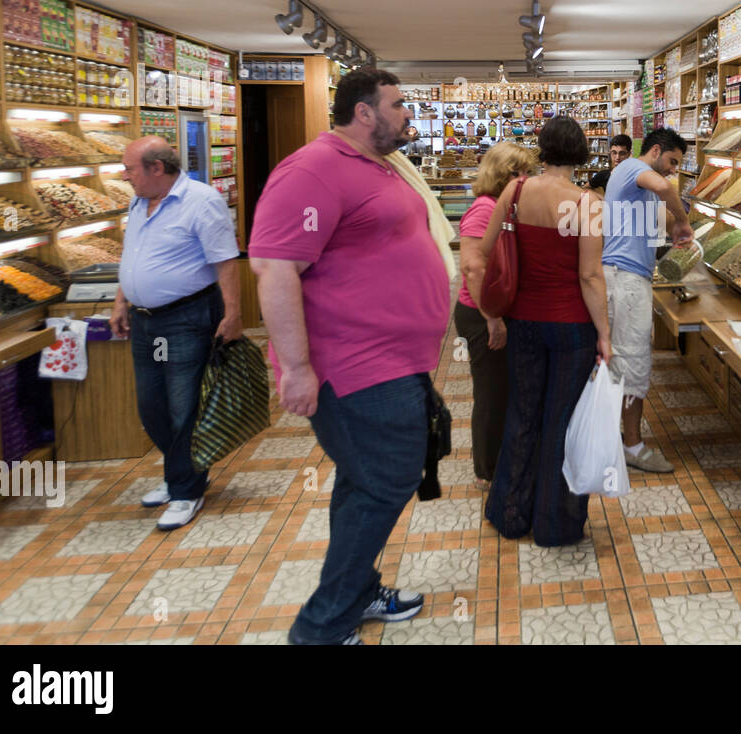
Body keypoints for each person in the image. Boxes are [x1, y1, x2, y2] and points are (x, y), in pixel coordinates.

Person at [249, 67, 451, 646]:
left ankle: (357, 591)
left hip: (393, 362)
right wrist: (297, 367)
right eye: (398, 104)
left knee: (361, 483)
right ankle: (321, 626)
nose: (408, 113)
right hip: (356, 367)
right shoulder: (312, 170)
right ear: (364, 113)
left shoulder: (376, 164)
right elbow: (274, 267)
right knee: (386, 482)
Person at [469, 116, 611, 547]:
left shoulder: (514, 191)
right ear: (582, 152)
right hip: (571, 328)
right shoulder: (588, 204)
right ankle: (556, 523)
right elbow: (590, 276)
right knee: (562, 423)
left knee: (523, 413)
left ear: (541, 148)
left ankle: (509, 513)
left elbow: (488, 248)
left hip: (523, 323)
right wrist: (604, 334)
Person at [109, 137, 241, 531]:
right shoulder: (138, 203)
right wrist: (121, 301)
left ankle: (185, 489)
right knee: (152, 406)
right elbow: (131, 255)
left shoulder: (201, 201)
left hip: (185, 318)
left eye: (130, 168)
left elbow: (226, 261)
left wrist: (233, 313)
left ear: (156, 168)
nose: (124, 175)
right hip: (145, 320)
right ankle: (179, 474)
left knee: (183, 405)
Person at [602, 128, 693, 473]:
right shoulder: (632, 170)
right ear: (655, 151)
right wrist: (683, 220)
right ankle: (632, 446)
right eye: (672, 161)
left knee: (623, 365)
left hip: (625, 277)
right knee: (633, 364)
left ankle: (616, 440)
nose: (672, 170)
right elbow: (665, 188)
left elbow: (655, 217)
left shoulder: (634, 180)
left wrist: (674, 229)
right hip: (625, 281)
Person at [455, 141, 538, 490]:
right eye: (523, 173)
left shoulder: (501, 207)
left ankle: (500, 458)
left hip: (491, 311)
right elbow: (473, 268)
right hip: (479, 314)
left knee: (501, 389)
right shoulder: (485, 209)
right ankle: (486, 472)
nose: (528, 179)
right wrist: (492, 318)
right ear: (507, 175)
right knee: (490, 392)